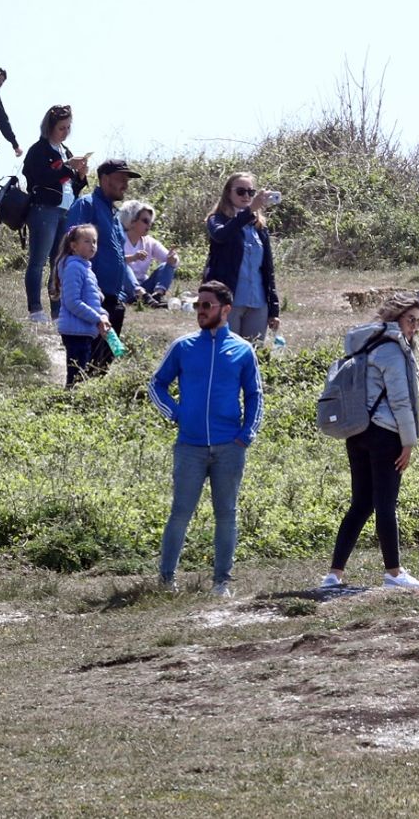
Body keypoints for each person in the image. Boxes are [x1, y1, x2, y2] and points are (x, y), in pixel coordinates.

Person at [148, 280, 264, 597]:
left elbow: (255, 395)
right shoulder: (183, 347)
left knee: (226, 515)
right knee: (180, 513)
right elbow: (156, 385)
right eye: (198, 305)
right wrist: (176, 413)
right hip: (190, 447)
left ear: (225, 310)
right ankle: (166, 580)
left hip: (230, 447)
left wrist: (247, 434)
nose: (200, 311)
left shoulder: (243, 350)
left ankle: (221, 583)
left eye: (206, 305)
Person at [322, 294, 419, 591]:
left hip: (357, 432)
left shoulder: (365, 344)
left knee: (360, 504)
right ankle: (394, 574)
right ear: (396, 319)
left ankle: (334, 575)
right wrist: (408, 442)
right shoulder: (393, 350)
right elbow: (401, 401)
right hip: (385, 433)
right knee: (385, 504)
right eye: (411, 320)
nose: (415, 327)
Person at [66, 159, 142, 373]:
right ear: (105, 179)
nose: (125, 185)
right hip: (93, 298)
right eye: (121, 179)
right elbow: (70, 242)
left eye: (127, 180)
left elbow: (118, 255)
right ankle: (75, 401)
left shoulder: (114, 215)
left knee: (104, 362)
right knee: (85, 362)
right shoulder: (87, 204)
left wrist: (134, 288)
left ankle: (93, 400)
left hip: (115, 299)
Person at [21, 105, 89, 323]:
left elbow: (73, 186)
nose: (65, 132)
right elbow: (39, 177)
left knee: (58, 263)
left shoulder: (65, 151)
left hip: (65, 210)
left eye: (68, 127)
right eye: (61, 128)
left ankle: (57, 312)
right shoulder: (38, 150)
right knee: (38, 261)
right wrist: (68, 167)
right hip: (44, 210)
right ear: (49, 127)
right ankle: (35, 310)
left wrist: (79, 174)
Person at [202, 172, 280, 343]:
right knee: (225, 350)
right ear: (228, 193)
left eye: (251, 192)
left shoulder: (259, 226)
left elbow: (268, 269)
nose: (246, 196)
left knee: (253, 354)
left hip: (258, 301)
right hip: (228, 300)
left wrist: (274, 309)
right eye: (240, 191)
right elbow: (221, 235)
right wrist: (248, 211)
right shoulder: (216, 220)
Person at [54, 224, 111, 388]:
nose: (92, 245)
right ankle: (68, 405)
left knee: (82, 374)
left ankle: (73, 404)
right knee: (76, 377)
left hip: (85, 331)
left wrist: (104, 316)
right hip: (74, 331)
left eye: (95, 241)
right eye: (87, 241)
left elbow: (92, 301)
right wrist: (97, 318)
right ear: (73, 246)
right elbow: (73, 302)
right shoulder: (73, 268)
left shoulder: (88, 270)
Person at [119, 200, 180, 307]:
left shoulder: (149, 242)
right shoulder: (118, 238)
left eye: (150, 222)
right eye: (145, 221)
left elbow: (171, 260)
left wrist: (173, 259)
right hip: (123, 288)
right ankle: (141, 295)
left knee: (167, 265)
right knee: (121, 264)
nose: (149, 225)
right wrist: (133, 257)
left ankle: (157, 296)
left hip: (145, 287)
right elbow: (112, 261)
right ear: (132, 221)